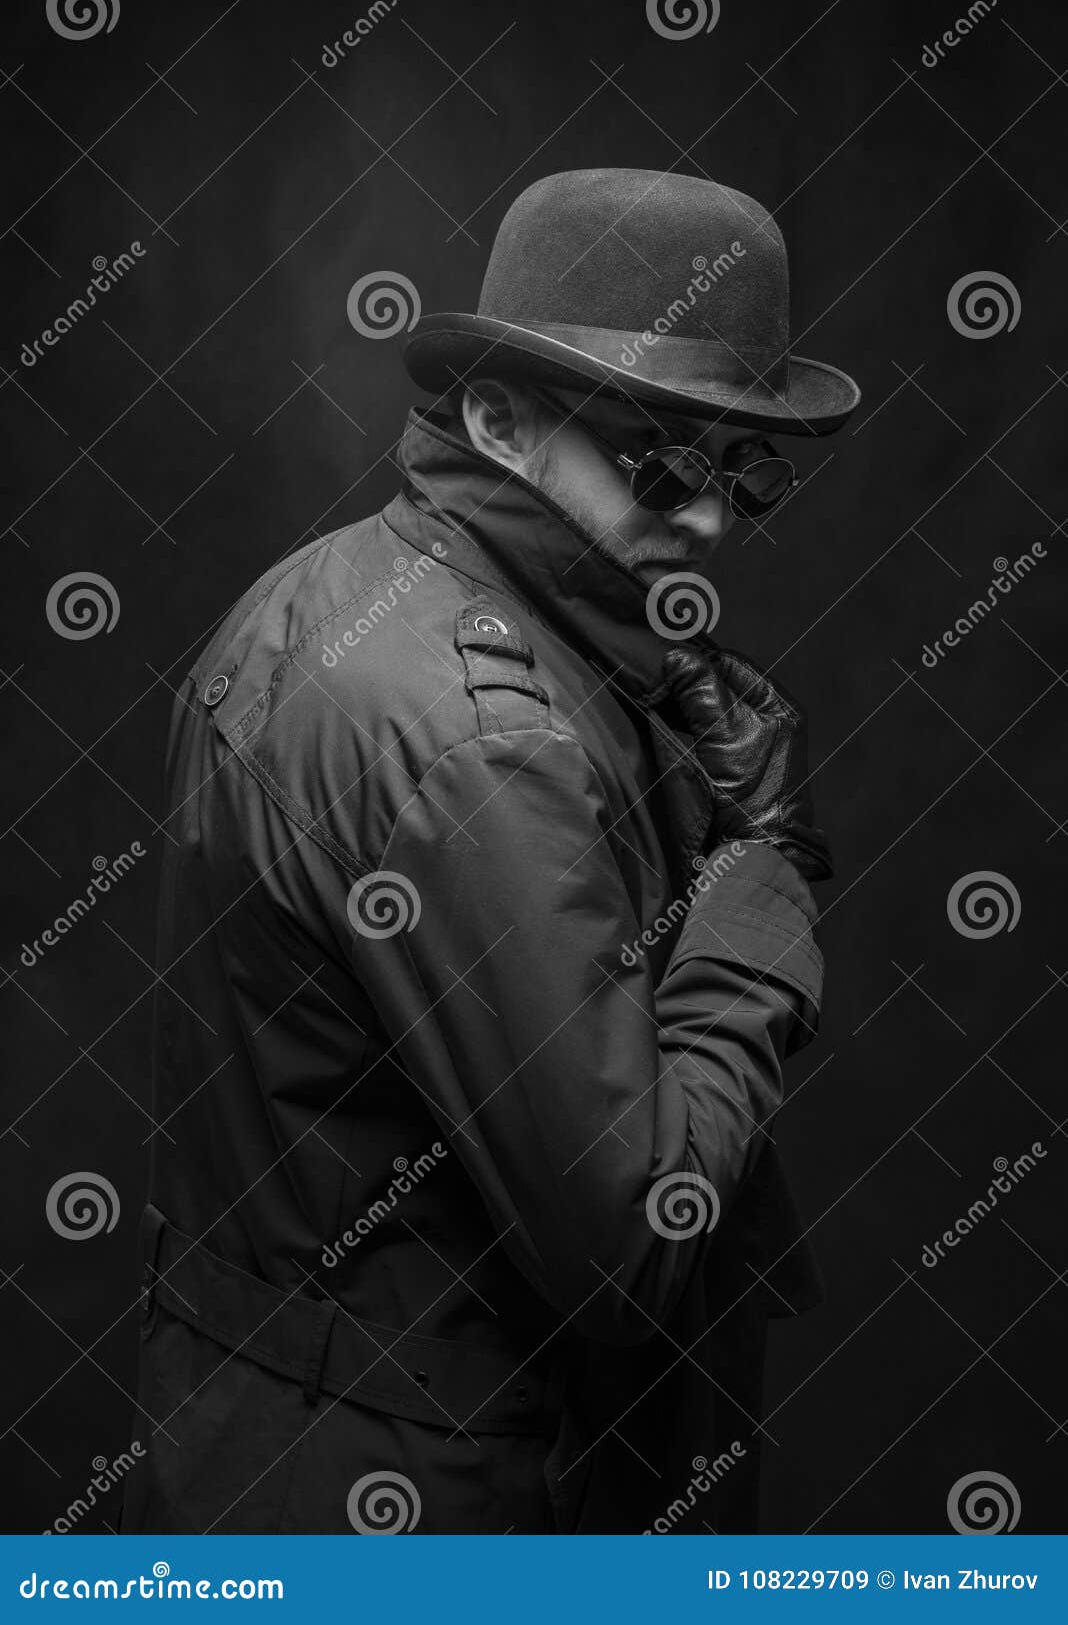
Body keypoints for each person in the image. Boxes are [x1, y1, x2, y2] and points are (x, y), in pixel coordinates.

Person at [120, 167, 860, 1535]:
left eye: (746, 470)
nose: (707, 517)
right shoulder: (485, 740)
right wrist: (758, 869)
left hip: (252, 1447)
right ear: (501, 417)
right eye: (658, 458)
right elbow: (641, 1234)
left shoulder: (319, 593)